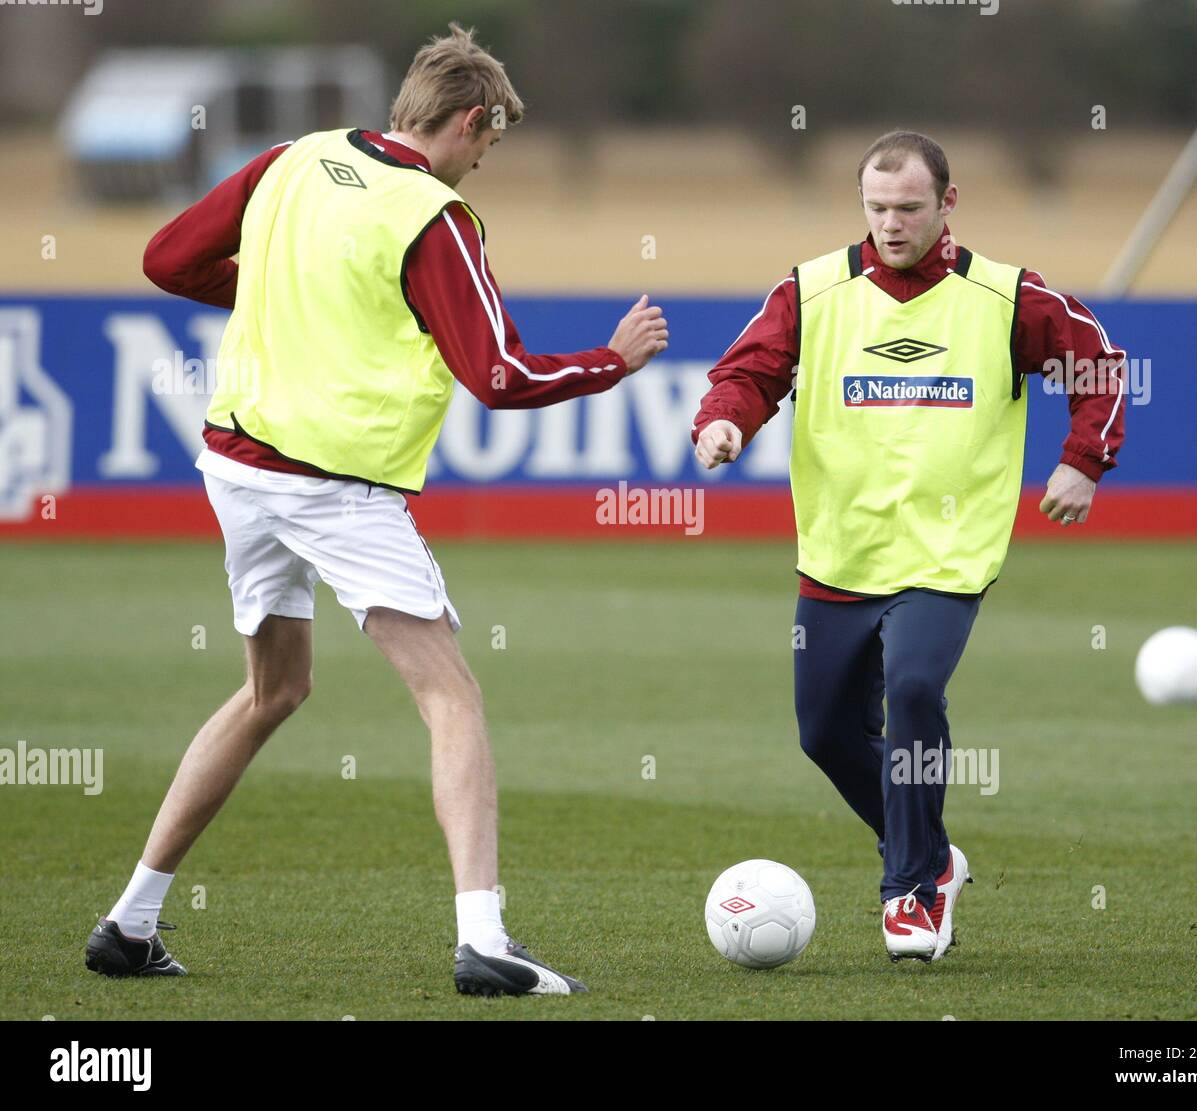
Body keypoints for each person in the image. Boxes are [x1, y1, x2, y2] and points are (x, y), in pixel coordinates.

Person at [84, 23, 669, 997]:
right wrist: (615, 360)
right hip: (335, 487)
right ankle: (484, 939)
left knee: (273, 691)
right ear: (469, 120)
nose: (483, 164)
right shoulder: (431, 217)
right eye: (489, 145)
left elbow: (165, 259)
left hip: (235, 467)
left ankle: (129, 922)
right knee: (452, 695)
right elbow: (500, 373)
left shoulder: (291, 159)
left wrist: (288, 294)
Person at [693, 130, 1125, 963]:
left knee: (916, 687)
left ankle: (914, 890)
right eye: (877, 207)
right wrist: (724, 421)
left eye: (909, 208)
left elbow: (1098, 363)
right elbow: (749, 370)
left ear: (947, 204)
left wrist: (1083, 461)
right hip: (839, 553)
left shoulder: (1006, 297)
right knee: (823, 733)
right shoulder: (813, 290)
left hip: (947, 554)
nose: (890, 224)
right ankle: (934, 858)